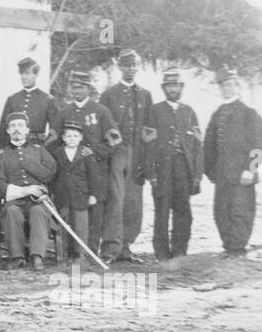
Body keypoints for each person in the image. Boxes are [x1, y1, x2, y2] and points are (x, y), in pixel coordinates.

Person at [203, 68, 262, 256]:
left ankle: (237, 248)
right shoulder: (217, 114)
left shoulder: (248, 114)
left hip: (243, 176)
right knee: (221, 212)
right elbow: (208, 146)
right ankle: (228, 247)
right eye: (223, 85)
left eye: (230, 84)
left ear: (237, 86)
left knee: (240, 212)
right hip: (223, 176)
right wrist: (211, 172)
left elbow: (261, 144)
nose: (226, 88)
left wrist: (251, 170)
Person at [141, 68, 203, 261]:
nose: (173, 89)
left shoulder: (189, 111)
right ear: (164, 88)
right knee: (161, 210)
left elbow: (197, 146)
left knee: (184, 211)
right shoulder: (155, 111)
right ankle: (161, 254)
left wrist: (197, 174)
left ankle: (179, 252)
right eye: (169, 86)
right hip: (162, 169)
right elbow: (147, 144)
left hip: (184, 169)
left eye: (176, 85)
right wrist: (151, 173)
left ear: (181, 88)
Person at [99, 49, 155, 262]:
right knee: (116, 199)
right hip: (117, 153)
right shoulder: (110, 94)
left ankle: (126, 247)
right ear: (120, 67)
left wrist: (147, 158)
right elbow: (104, 125)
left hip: (137, 152)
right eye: (126, 65)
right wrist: (110, 151)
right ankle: (110, 248)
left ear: (138, 67)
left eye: (134, 65)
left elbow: (149, 129)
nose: (131, 69)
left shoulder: (145, 95)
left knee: (134, 201)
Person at [0, 111, 57, 270]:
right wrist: (27, 190)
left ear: (27, 130)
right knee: (12, 211)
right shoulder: (0, 155)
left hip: (37, 202)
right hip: (13, 202)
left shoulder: (39, 151)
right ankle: (16, 257)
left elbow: (50, 174)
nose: (16, 129)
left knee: (38, 211)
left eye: (20, 126)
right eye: (13, 126)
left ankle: (37, 256)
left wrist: (28, 164)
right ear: (7, 131)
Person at [60, 69, 116, 261]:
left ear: (89, 89)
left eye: (81, 87)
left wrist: (94, 151)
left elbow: (114, 141)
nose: (77, 91)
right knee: (73, 213)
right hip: (73, 176)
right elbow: (55, 142)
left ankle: (92, 252)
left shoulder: (101, 111)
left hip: (96, 172)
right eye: (74, 87)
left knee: (96, 212)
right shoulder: (64, 111)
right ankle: (73, 253)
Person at [48, 120, 100, 265]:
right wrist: (51, 193)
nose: (72, 139)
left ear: (81, 138)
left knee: (80, 225)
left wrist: (93, 195)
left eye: (75, 136)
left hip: (81, 196)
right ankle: (63, 254)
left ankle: (80, 255)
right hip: (62, 195)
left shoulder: (86, 154)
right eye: (68, 136)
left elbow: (94, 176)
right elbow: (53, 175)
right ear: (63, 138)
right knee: (63, 224)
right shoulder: (57, 153)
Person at [0, 56, 62, 149]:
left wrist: (45, 149)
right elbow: (3, 129)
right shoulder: (12, 99)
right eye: (22, 74)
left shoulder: (48, 100)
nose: (23, 77)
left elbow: (55, 131)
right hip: (14, 147)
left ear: (35, 75)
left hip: (37, 147)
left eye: (27, 73)